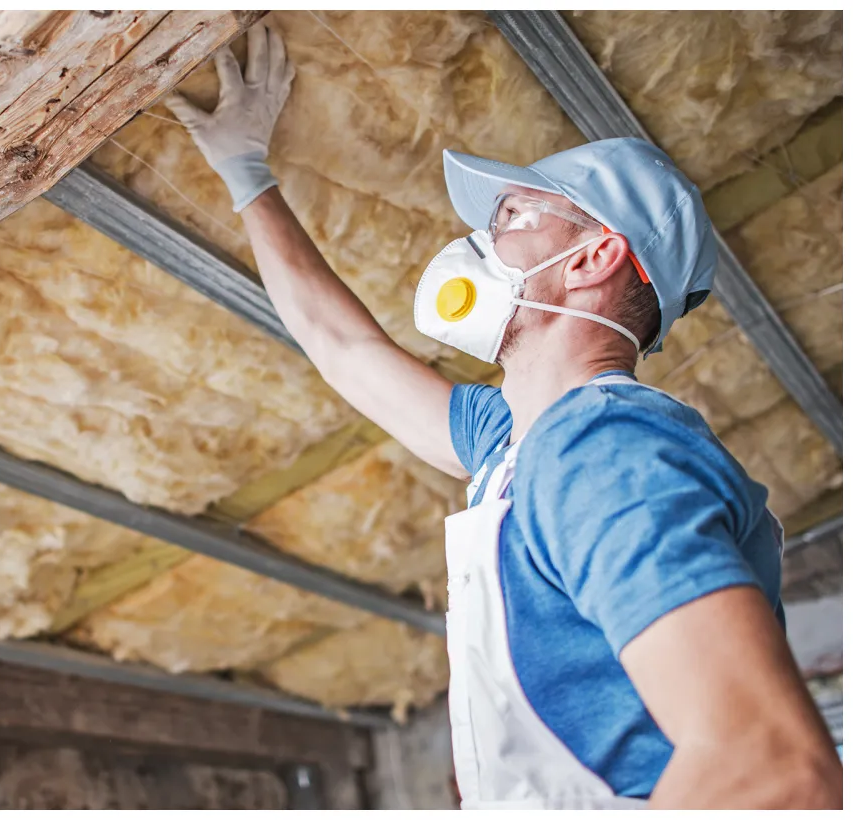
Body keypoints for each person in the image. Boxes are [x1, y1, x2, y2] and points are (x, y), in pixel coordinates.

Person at [166, 25, 843, 809]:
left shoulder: (605, 449)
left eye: (515, 217)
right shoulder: (517, 448)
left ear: (594, 259)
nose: (479, 239)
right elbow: (344, 348)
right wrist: (247, 175)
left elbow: (772, 769)